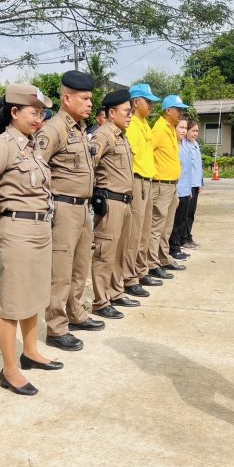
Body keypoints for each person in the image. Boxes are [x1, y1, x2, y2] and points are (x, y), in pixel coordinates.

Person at [0, 83, 62, 396]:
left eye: (42, 114)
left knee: (33, 295)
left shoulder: (31, 146)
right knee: (12, 303)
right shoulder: (5, 145)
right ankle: (9, 370)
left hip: (40, 230)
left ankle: (30, 352)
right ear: (15, 112)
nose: (39, 119)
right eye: (34, 113)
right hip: (18, 231)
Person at [36, 71, 104, 352]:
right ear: (67, 99)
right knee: (60, 271)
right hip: (62, 208)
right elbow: (36, 169)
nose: (90, 103)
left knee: (79, 267)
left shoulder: (79, 129)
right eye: (84, 98)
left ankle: (75, 313)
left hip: (82, 208)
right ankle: (56, 327)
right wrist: (46, 206)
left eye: (90, 99)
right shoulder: (53, 129)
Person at [90, 89, 138, 320]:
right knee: (105, 253)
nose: (130, 115)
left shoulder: (121, 136)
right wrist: (95, 193)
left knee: (120, 252)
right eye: (126, 111)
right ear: (111, 113)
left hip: (125, 202)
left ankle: (115, 292)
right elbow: (89, 165)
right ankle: (100, 301)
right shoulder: (103, 135)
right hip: (110, 202)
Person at [123, 83, 162, 298]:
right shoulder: (132, 126)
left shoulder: (145, 124)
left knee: (145, 231)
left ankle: (140, 270)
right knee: (134, 233)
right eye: (148, 101)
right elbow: (129, 158)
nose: (151, 106)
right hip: (137, 180)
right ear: (136, 102)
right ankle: (129, 277)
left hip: (147, 180)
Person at [147, 94, 190, 281]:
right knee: (156, 227)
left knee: (167, 227)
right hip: (160, 185)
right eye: (178, 110)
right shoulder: (159, 129)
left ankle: (163, 258)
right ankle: (151, 264)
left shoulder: (171, 129)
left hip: (171, 185)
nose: (181, 113)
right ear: (168, 110)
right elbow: (147, 154)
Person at [180, 119, 203, 250]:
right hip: (187, 185)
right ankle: (183, 238)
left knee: (191, 213)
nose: (195, 133)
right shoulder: (183, 144)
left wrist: (200, 182)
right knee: (185, 213)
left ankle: (188, 236)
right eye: (192, 131)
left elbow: (198, 165)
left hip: (195, 184)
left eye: (197, 131)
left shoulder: (195, 144)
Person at [168, 117, 189, 260]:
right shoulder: (173, 146)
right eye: (181, 127)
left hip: (185, 189)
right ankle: (173, 249)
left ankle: (177, 246)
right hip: (176, 189)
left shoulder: (183, 145)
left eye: (185, 128)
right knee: (173, 223)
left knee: (181, 221)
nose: (184, 131)